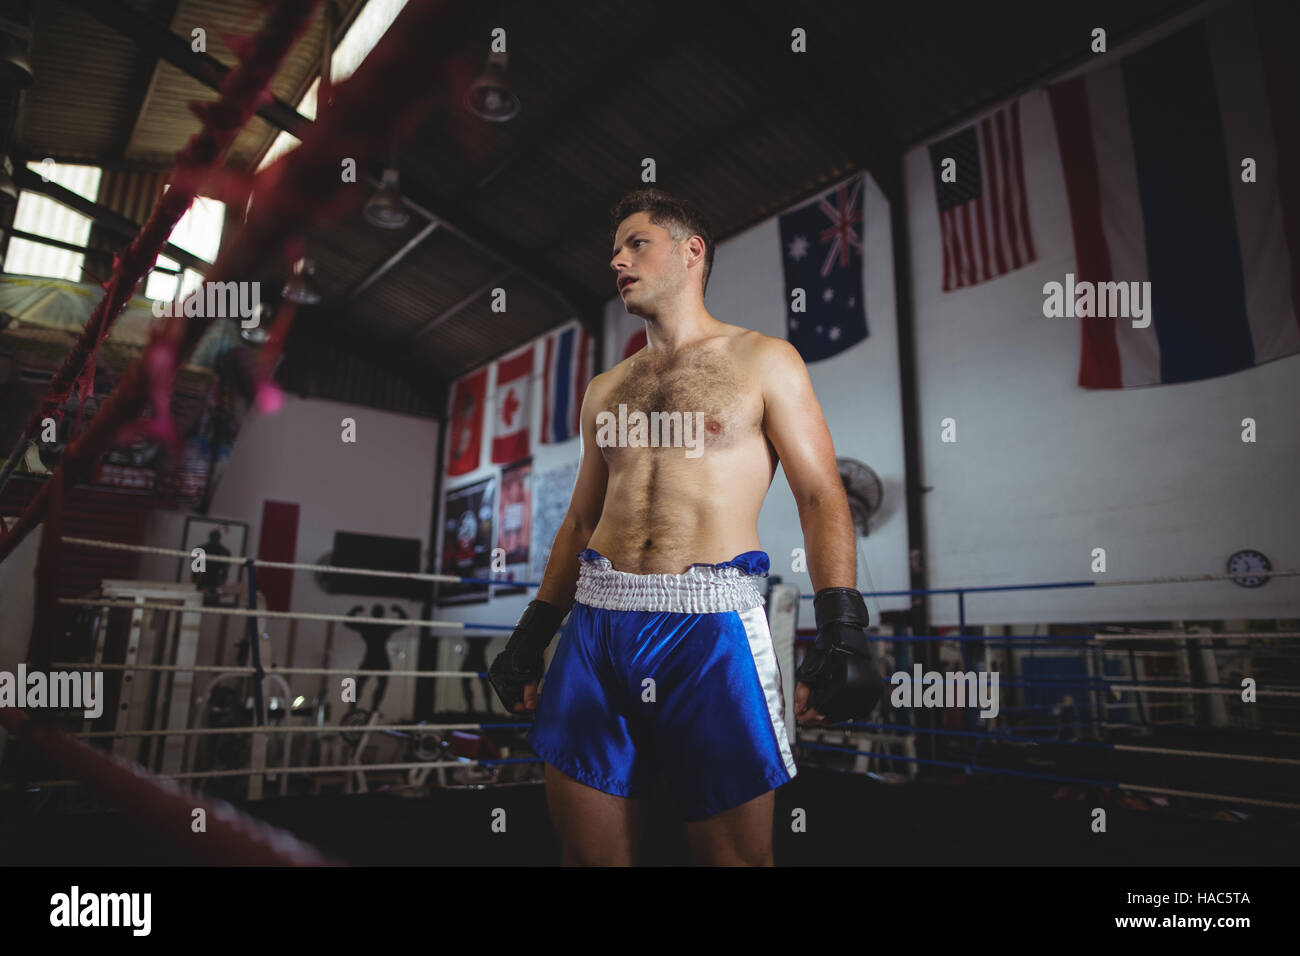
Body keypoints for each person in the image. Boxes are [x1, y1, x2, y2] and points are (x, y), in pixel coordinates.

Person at [489, 188, 883, 866]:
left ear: (691, 250)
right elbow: (581, 517)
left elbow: (821, 494)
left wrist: (844, 627)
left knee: (732, 859)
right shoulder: (605, 388)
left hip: (711, 628)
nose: (616, 259)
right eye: (614, 249)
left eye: (636, 242)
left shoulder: (764, 360)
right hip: (597, 626)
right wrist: (534, 633)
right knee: (585, 856)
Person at [344, 603, 409, 713]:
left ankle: (370, 708)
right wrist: (399, 610)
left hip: (375, 657)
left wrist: (354, 611)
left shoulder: (374, 625)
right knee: (361, 685)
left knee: (367, 684)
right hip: (376, 657)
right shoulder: (377, 625)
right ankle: (359, 707)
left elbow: (404, 623)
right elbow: (348, 623)